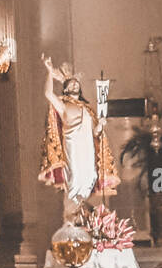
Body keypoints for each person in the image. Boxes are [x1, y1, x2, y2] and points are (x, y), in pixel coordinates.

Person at [38, 55, 119, 218]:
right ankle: (73, 216)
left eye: (77, 83)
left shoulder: (88, 109)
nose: (74, 84)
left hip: (88, 147)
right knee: (74, 179)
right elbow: (48, 93)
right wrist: (49, 71)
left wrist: (100, 125)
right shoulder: (63, 105)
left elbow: (95, 133)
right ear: (66, 89)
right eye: (71, 84)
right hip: (72, 146)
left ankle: (88, 217)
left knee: (90, 177)